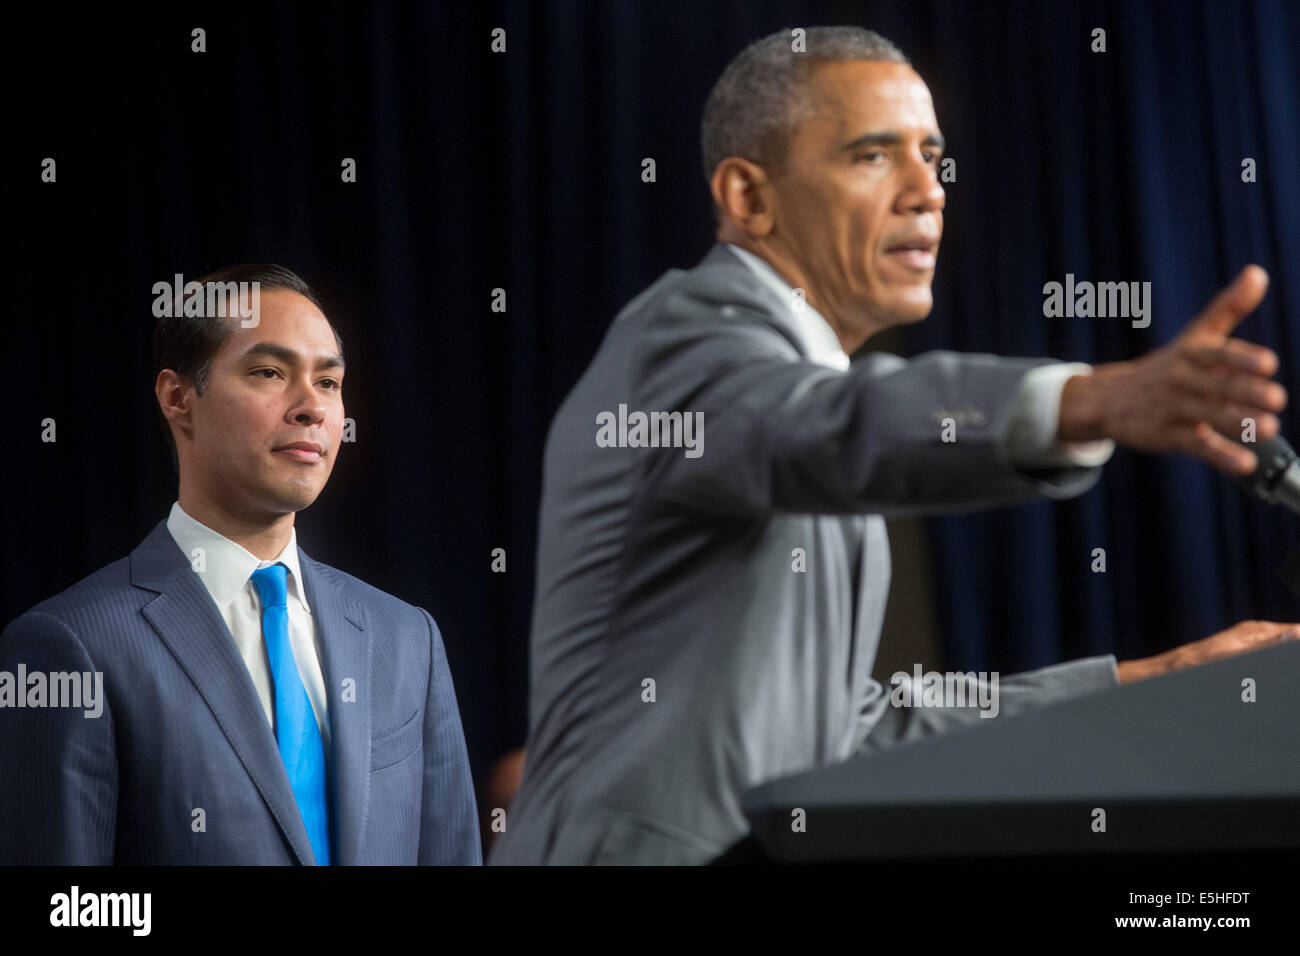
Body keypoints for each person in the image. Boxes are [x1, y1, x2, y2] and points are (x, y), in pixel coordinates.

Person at [489, 26, 1296, 865]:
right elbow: (838, 426)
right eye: (874, 156)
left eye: (933, 156)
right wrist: (1087, 399)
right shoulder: (684, 343)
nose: (928, 191)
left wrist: (1148, 683)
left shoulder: (798, 386)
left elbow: (849, 730)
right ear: (749, 197)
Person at [0, 264, 480, 865]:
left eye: (329, 382)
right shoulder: (70, 645)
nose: (311, 407)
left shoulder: (408, 638)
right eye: (270, 372)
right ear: (179, 398)